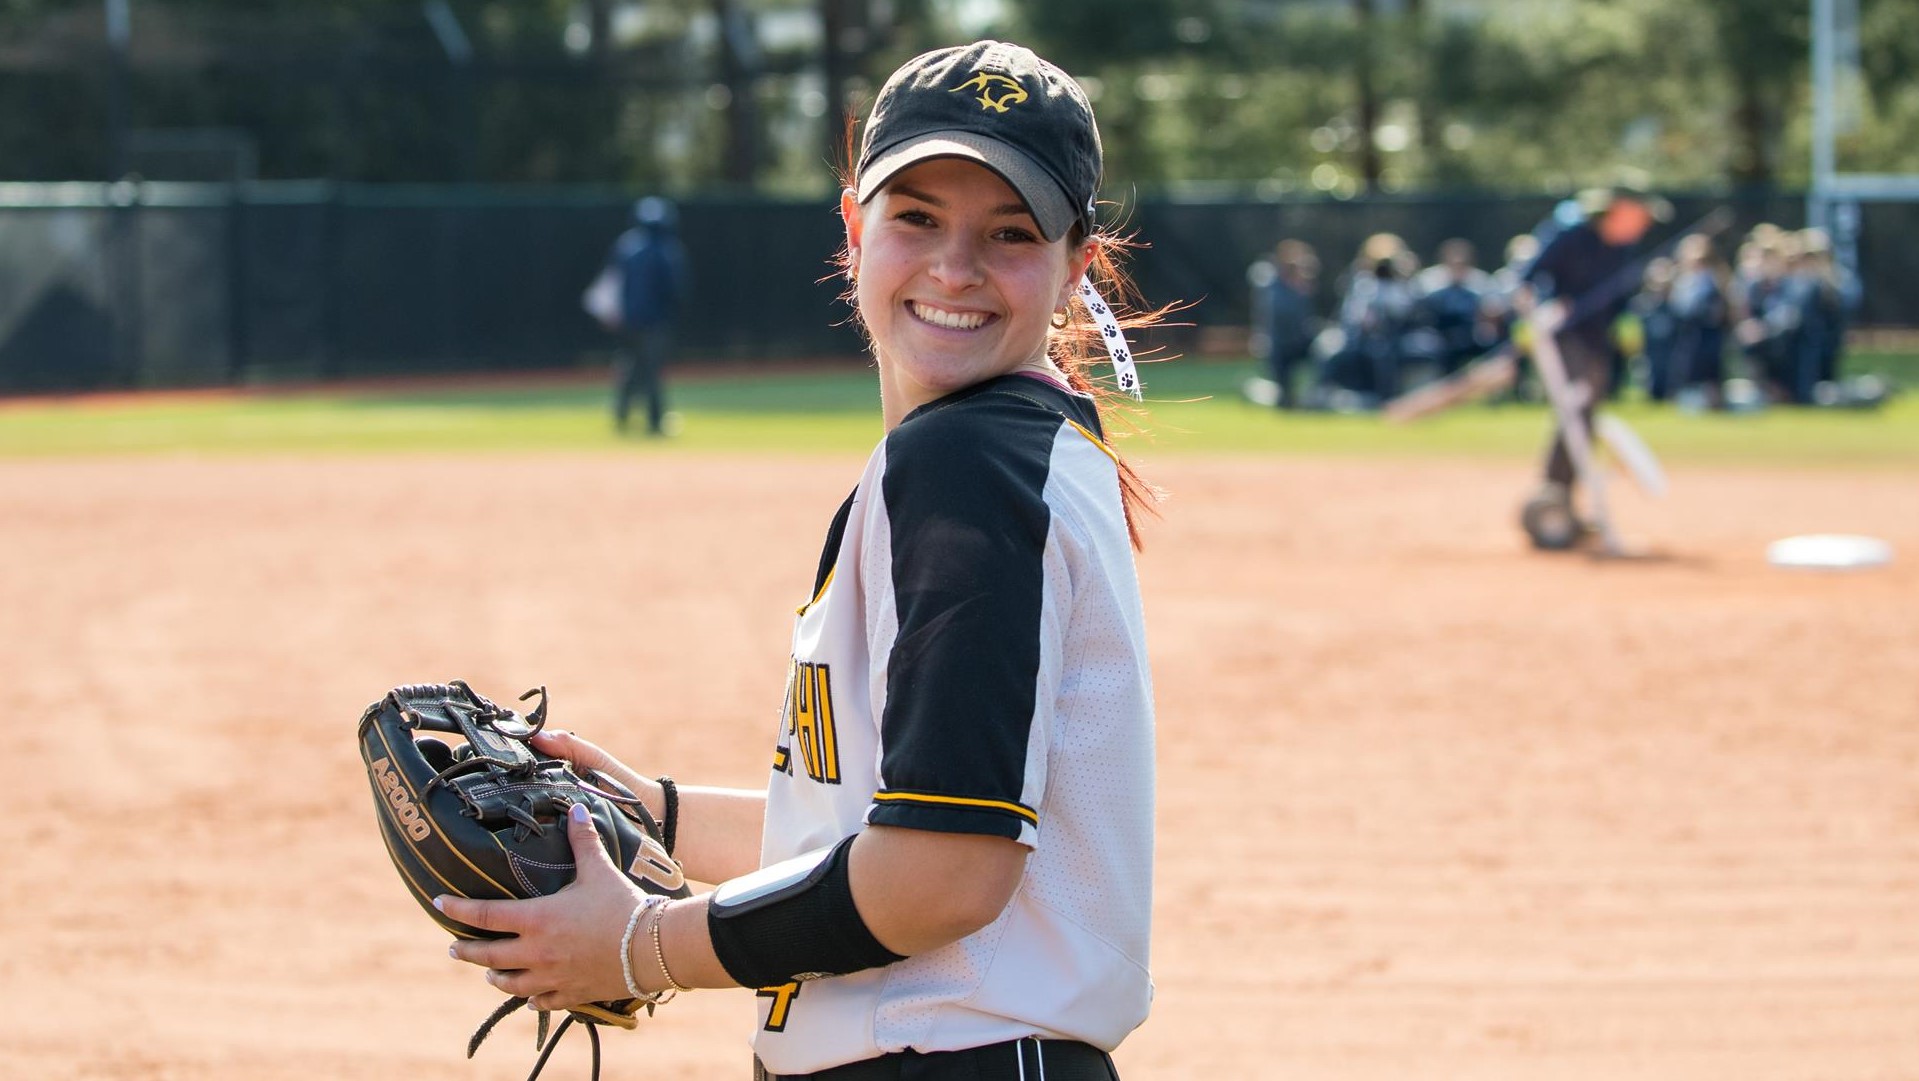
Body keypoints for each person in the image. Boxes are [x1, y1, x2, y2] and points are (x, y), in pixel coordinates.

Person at [437, 39, 1161, 1081]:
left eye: (1007, 233)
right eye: (917, 218)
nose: (954, 267)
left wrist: (643, 945)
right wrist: (657, 813)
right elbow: (876, 829)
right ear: (854, 228)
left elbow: (942, 874)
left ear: (1071, 269)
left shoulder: (965, 463)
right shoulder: (1022, 443)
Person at [1516, 185, 1670, 548]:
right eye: (1641, 215)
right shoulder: (1572, 233)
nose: (1644, 224)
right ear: (1620, 209)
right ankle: (1555, 495)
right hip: (1564, 337)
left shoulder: (1623, 247)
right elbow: (1529, 278)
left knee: (1581, 417)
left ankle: (1560, 497)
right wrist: (1541, 310)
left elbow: (1622, 302)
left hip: (1596, 340)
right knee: (1576, 410)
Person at [606, 196, 689, 435]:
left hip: (628, 321)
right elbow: (676, 289)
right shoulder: (667, 250)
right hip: (655, 321)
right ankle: (654, 422)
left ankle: (621, 416)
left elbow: (611, 283)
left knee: (631, 368)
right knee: (652, 372)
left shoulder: (625, 246)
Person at [1248, 238, 1321, 408]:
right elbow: (1271, 317)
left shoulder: (1303, 286)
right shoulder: (1272, 287)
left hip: (1303, 341)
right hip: (1280, 344)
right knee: (1284, 396)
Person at [1411, 238, 1495, 378]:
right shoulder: (1429, 281)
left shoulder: (1480, 282)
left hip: (1471, 334)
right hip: (1438, 335)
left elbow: (1489, 311)